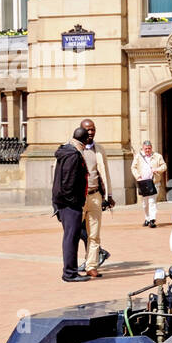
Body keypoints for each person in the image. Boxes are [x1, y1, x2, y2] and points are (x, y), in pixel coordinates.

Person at [53, 126, 90, 282]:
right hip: (69, 204)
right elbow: (68, 182)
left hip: (65, 203)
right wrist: (74, 202)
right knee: (71, 238)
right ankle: (69, 273)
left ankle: (70, 271)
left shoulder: (68, 151)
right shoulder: (73, 155)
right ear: (84, 140)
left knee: (72, 236)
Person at [78, 117, 113, 277]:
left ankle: (91, 265)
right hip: (78, 198)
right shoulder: (73, 149)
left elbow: (105, 173)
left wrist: (109, 195)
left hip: (95, 196)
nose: (91, 132)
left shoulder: (99, 149)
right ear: (81, 130)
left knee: (94, 233)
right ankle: (71, 266)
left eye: (93, 129)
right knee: (74, 233)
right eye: (88, 129)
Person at [131, 139, 168, 228]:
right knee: (145, 203)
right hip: (143, 183)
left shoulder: (157, 156)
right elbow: (133, 168)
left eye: (149, 148)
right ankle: (147, 218)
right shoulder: (138, 156)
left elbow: (164, 166)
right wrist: (138, 177)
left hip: (154, 182)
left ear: (151, 148)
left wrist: (157, 170)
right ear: (143, 148)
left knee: (152, 201)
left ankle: (152, 220)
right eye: (146, 148)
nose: (148, 150)